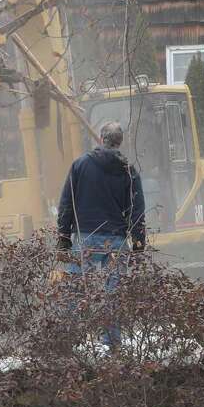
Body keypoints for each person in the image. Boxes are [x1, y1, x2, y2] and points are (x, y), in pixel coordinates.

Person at [56, 121, 147, 344]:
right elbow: (137, 210)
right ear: (120, 142)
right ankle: (112, 345)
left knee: (75, 290)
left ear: (100, 139)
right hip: (116, 241)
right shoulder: (129, 171)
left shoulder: (80, 165)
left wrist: (64, 238)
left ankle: (68, 341)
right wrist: (138, 244)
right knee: (113, 293)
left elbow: (66, 202)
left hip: (85, 238)